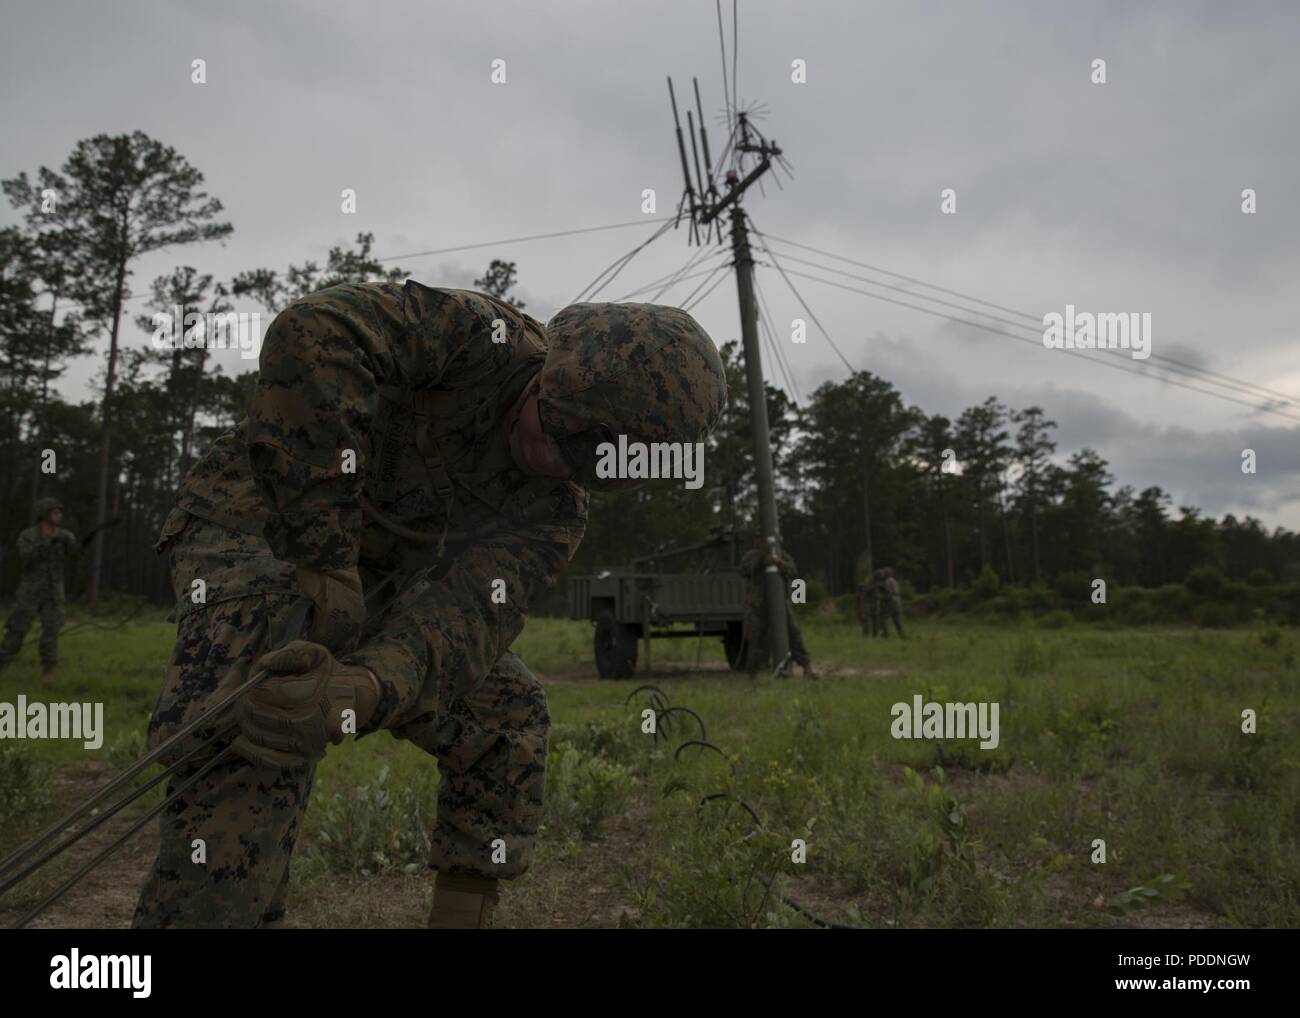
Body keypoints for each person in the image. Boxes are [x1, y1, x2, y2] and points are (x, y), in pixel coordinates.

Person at [131, 281, 726, 929]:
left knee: (506, 716)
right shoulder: (473, 336)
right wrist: (323, 552)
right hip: (258, 521)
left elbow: (465, 625)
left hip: (377, 582)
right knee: (265, 724)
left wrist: (364, 688)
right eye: (559, 431)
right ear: (548, 378)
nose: (554, 462)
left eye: (587, 464)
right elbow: (313, 331)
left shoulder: (553, 513)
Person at [0, 497, 78, 679]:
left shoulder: (64, 535)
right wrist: (49, 542)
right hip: (31, 591)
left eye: (60, 512)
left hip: (54, 592)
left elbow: (75, 556)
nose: (59, 515)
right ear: (44, 514)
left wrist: (74, 544)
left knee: (51, 629)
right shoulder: (28, 536)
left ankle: (50, 667)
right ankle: (3, 661)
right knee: (17, 627)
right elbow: (26, 556)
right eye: (55, 512)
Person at [737, 538, 814, 678]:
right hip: (757, 603)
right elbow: (744, 570)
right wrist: (761, 559)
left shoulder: (782, 555)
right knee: (756, 638)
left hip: (780, 603)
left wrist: (779, 562)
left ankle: (806, 667)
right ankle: (752, 674)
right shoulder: (751, 556)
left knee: (794, 633)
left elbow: (794, 572)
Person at [855, 571, 882, 638]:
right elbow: (863, 596)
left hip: (873, 605)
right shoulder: (869, 585)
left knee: (875, 621)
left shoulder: (875, 584)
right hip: (868, 605)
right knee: (866, 621)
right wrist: (862, 606)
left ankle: (874, 636)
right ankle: (866, 636)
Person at [881, 567, 905, 638]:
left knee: (881, 618)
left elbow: (888, 592)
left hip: (891, 600)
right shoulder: (894, 580)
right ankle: (902, 635)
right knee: (897, 619)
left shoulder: (888, 581)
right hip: (897, 600)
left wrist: (883, 598)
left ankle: (885, 634)